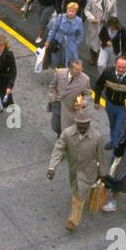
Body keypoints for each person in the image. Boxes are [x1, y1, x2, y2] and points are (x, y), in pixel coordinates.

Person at [47, 94, 105, 229]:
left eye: (85, 124)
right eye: (80, 124)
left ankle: (73, 220)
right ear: (76, 122)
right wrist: (52, 167)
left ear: (89, 123)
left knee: (78, 197)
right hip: (73, 170)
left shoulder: (96, 137)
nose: (83, 127)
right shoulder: (67, 133)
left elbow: (101, 156)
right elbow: (58, 149)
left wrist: (103, 173)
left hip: (88, 171)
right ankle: (84, 195)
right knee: (77, 191)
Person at [93, 56, 126, 151]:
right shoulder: (107, 72)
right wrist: (97, 101)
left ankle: (116, 153)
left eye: (123, 67)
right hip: (110, 105)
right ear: (115, 64)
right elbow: (98, 85)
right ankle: (113, 142)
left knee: (119, 129)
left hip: (124, 108)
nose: (121, 69)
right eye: (119, 67)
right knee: (112, 125)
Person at [47, 60, 91, 137]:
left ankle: (62, 141)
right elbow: (52, 86)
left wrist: (84, 102)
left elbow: (87, 94)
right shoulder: (60, 73)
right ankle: (59, 134)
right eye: (76, 69)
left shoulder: (85, 79)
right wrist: (52, 96)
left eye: (81, 69)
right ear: (70, 69)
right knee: (55, 126)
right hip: (58, 104)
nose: (79, 72)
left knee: (66, 130)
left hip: (70, 109)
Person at [82, 0, 117, 67]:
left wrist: (112, 22)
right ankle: (93, 58)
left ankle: (99, 58)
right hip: (95, 25)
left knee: (103, 42)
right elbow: (86, 10)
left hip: (105, 25)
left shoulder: (112, 0)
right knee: (92, 42)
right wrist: (91, 18)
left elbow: (114, 13)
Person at [45, 1, 86, 68]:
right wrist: (48, 41)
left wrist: (76, 43)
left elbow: (80, 34)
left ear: (76, 12)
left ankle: (64, 74)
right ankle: (57, 73)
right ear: (66, 10)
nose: (71, 13)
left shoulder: (79, 21)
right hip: (57, 42)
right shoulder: (60, 17)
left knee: (69, 62)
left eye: (73, 11)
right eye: (69, 10)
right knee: (55, 60)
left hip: (70, 44)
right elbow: (53, 30)